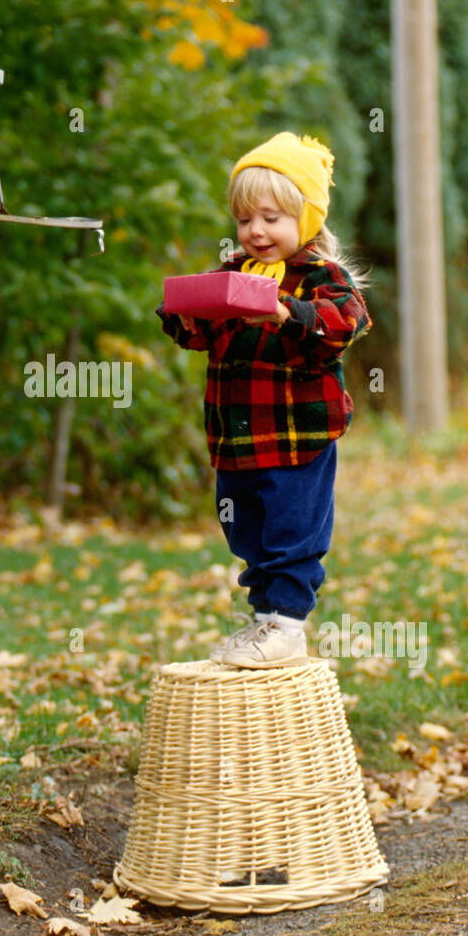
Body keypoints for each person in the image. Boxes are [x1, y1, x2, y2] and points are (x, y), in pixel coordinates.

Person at [156, 132, 371, 665]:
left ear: (308, 219)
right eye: (246, 219)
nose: (256, 231)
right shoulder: (231, 274)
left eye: (271, 219)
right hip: (236, 439)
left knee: (291, 531)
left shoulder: (321, 278)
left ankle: (288, 623)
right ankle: (263, 619)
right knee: (244, 528)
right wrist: (183, 312)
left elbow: (346, 324)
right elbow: (198, 335)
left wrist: (285, 313)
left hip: (298, 436)